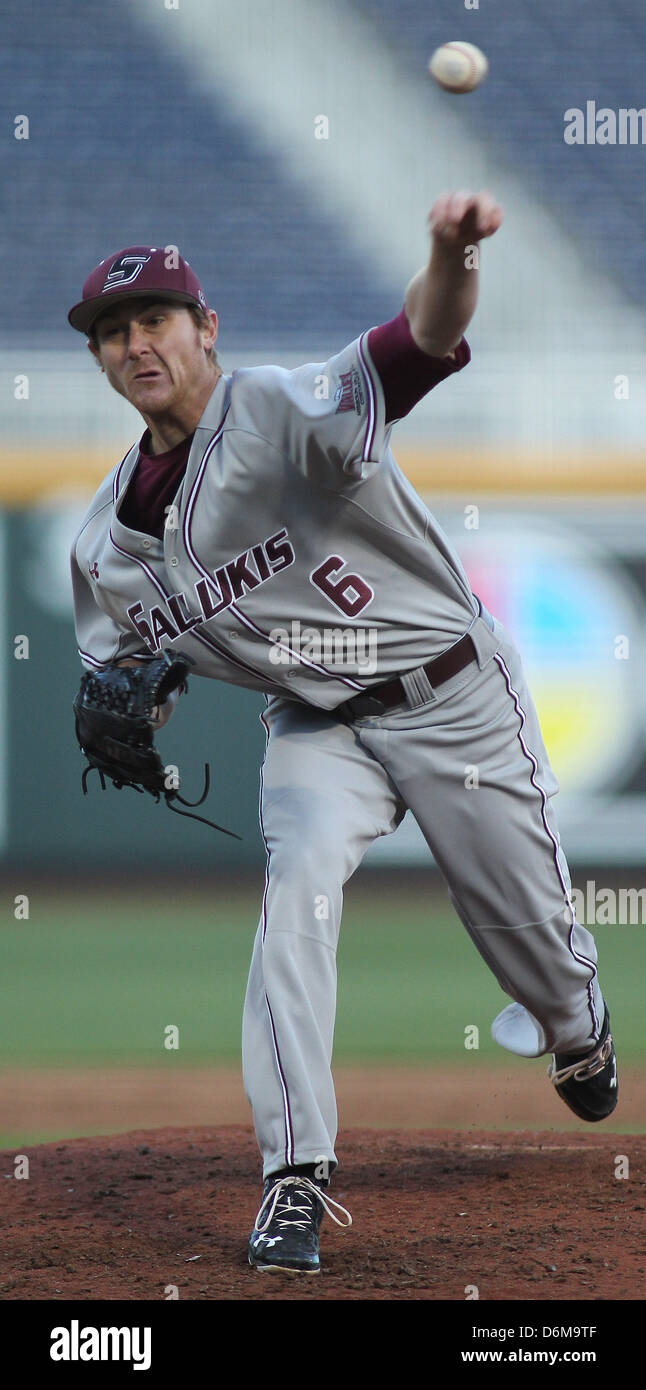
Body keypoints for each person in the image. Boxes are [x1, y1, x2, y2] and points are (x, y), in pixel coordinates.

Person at [68, 192, 617, 1277]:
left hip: (451, 690)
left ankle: (574, 1022)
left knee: (532, 944)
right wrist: (133, 704)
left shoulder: (276, 409)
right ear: (97, 356)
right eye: (112, 330)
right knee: (295, 891)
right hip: (317, 727)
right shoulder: (101, 545)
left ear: (205, 327)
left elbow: (418, 341)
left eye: (156, 318)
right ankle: (294, 1179)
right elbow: (130, 667)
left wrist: (450, 254)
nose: (137, 342)